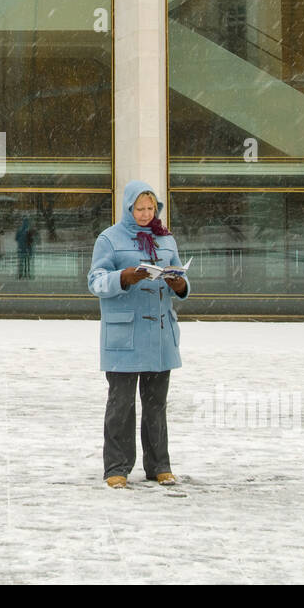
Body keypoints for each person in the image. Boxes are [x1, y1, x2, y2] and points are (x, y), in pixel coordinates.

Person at [87, 180, 190, 489]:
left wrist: (179, 284)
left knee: (156, 405)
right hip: (125, 336)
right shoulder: (109, 239)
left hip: (159, 334)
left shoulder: (165, 240)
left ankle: (160, 465)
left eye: (150, 208)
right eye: (139, 208)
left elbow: (181, 278)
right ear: (128, 208)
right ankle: (116, 468)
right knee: (121, 406)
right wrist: (124, 277)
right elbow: (95, 282)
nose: (146, 213)